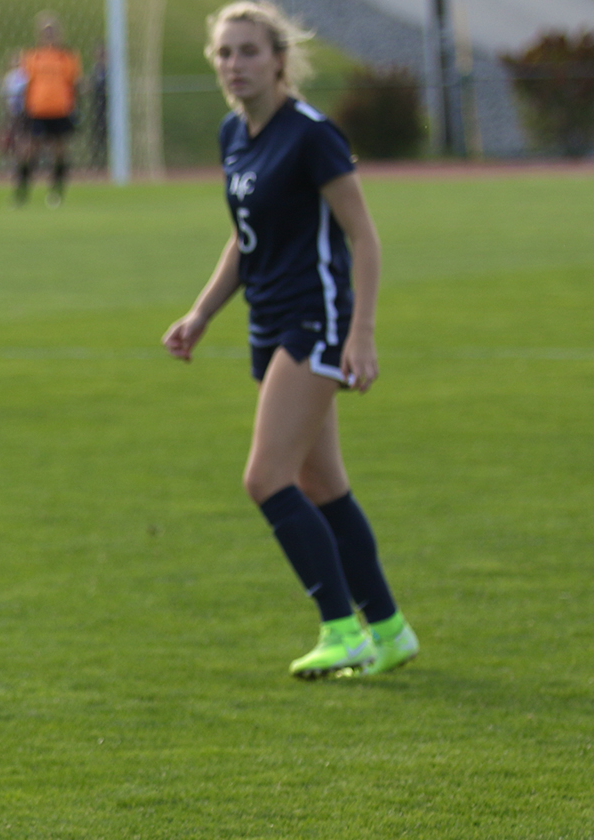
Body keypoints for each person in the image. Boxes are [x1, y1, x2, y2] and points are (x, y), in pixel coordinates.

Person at [160, 1, 419, 679]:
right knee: (321, 482)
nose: (235, 64)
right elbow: (245, 240)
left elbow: (364, 237)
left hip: (316, 319)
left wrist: (361, 335)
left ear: (279, 60)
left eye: (249, 51)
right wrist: (201, 314)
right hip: (269, 320)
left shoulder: (311, 135)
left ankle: (342, 630)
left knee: (265, 478)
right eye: (224, 53)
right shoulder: (234, 133)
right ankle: (389, 629)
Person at [16, 12, 83, 207]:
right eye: (46, 31)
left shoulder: (67, 57)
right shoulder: (32, 57)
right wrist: (22, 110)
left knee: (59, 151)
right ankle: (22, 192)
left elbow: (74, 84)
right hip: (37, 110)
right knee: (29, 150)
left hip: (60, 110)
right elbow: (24, 84)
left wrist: (76, 106)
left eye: (52, 31)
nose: (49, 35)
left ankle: (57, 192)